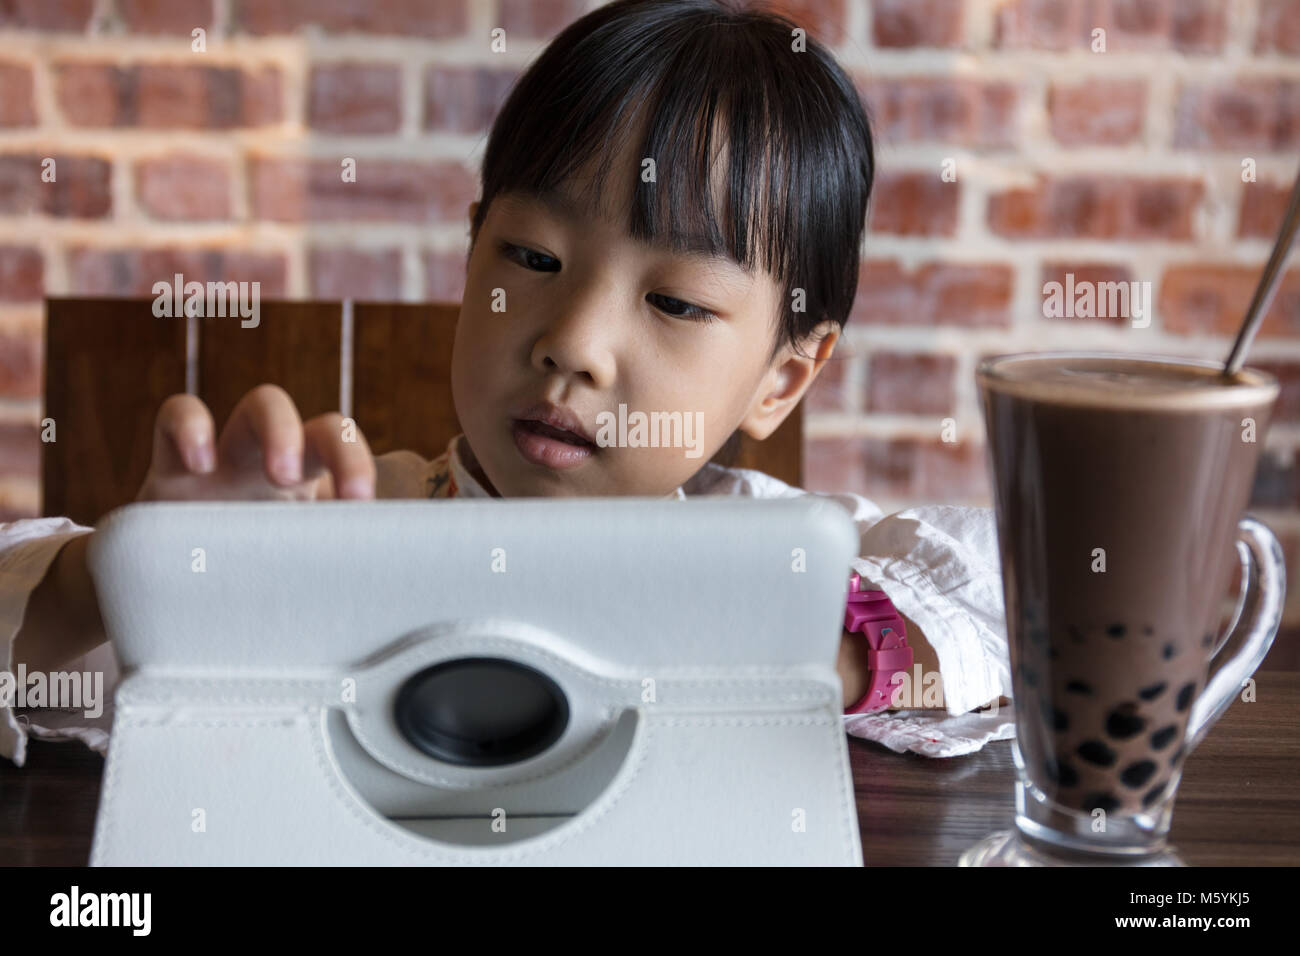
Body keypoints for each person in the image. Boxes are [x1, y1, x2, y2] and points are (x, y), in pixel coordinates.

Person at [1, 0, 1012, 767]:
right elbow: (44, 665)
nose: (573, 342)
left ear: (782, 379)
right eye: (531, 258)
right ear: (470, 253)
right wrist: (139, 576)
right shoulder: (328, 533)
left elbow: (1018, 629)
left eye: (676, 303)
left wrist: (811, 651)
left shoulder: (779, 559)